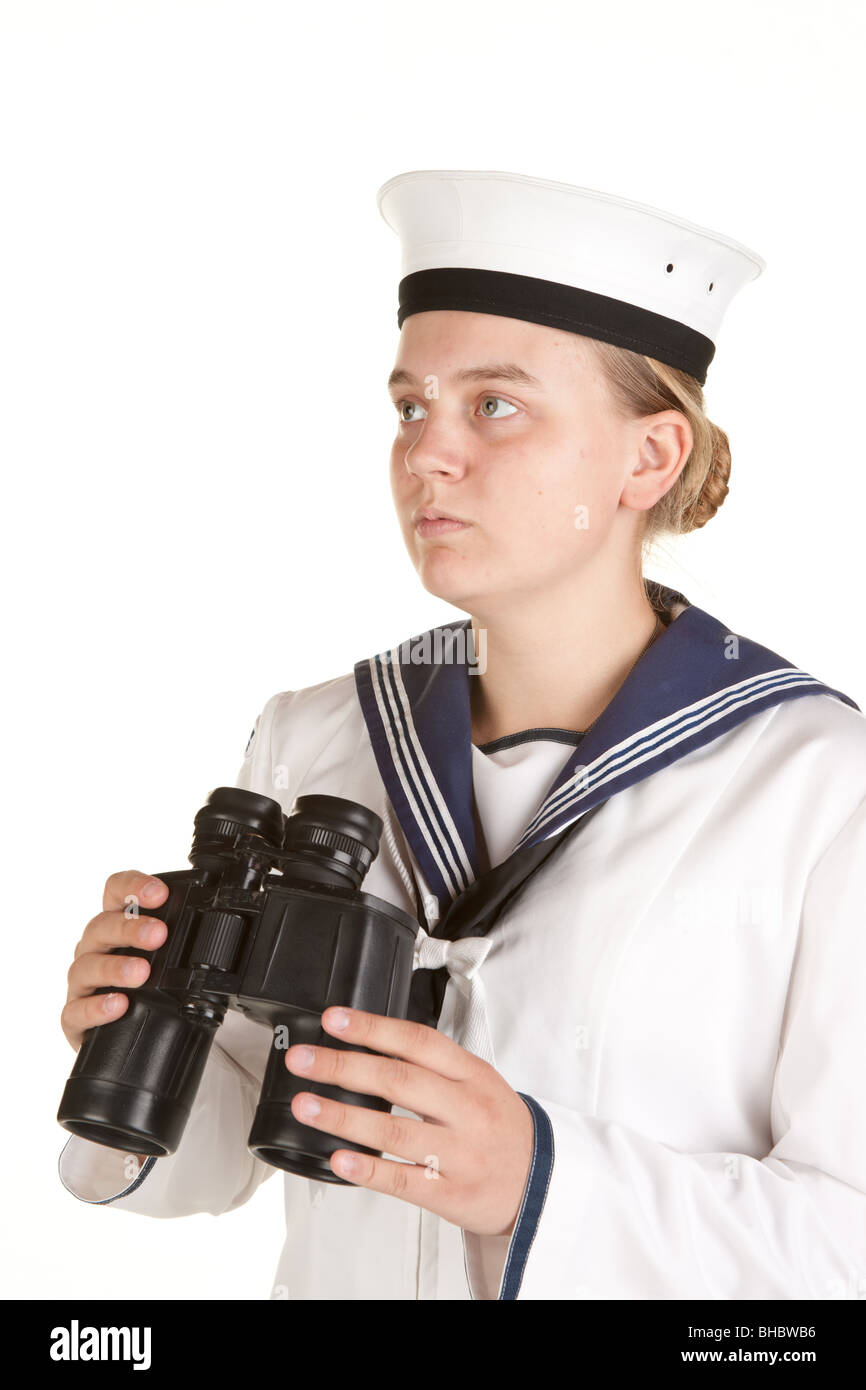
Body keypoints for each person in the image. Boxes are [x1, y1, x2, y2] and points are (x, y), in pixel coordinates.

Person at [59, 169, 866, 1300]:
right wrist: (134, 1026)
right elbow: (212, 1147)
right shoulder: (316, 735)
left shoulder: (819, 789)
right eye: (409, 405)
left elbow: (846, 1246)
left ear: (649, 458)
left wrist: (538, 1179)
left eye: (494, 404)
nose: (426, 453)